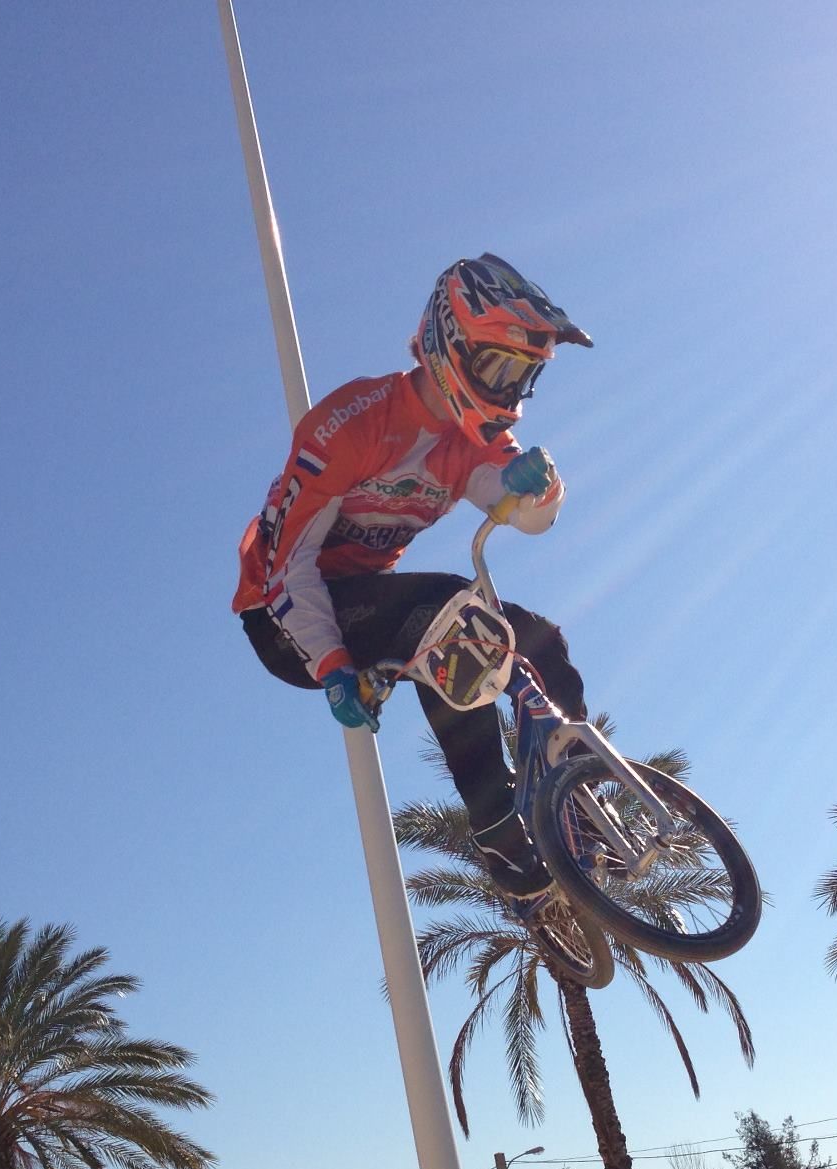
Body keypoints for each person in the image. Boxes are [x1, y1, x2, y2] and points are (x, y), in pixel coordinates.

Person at [233, 254, 593, 899]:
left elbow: (525, 515)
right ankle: (500, 836)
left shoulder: (477, 436)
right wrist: (333, 665)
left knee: (539, 640)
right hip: (284, 613)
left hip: (381, 602)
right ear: (446, 346)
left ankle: (583, 808)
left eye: (525, 376)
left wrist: (537, 490)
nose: (510, 391)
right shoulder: (352, 425)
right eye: (499, 367)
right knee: (450, 612)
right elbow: (288, 568)